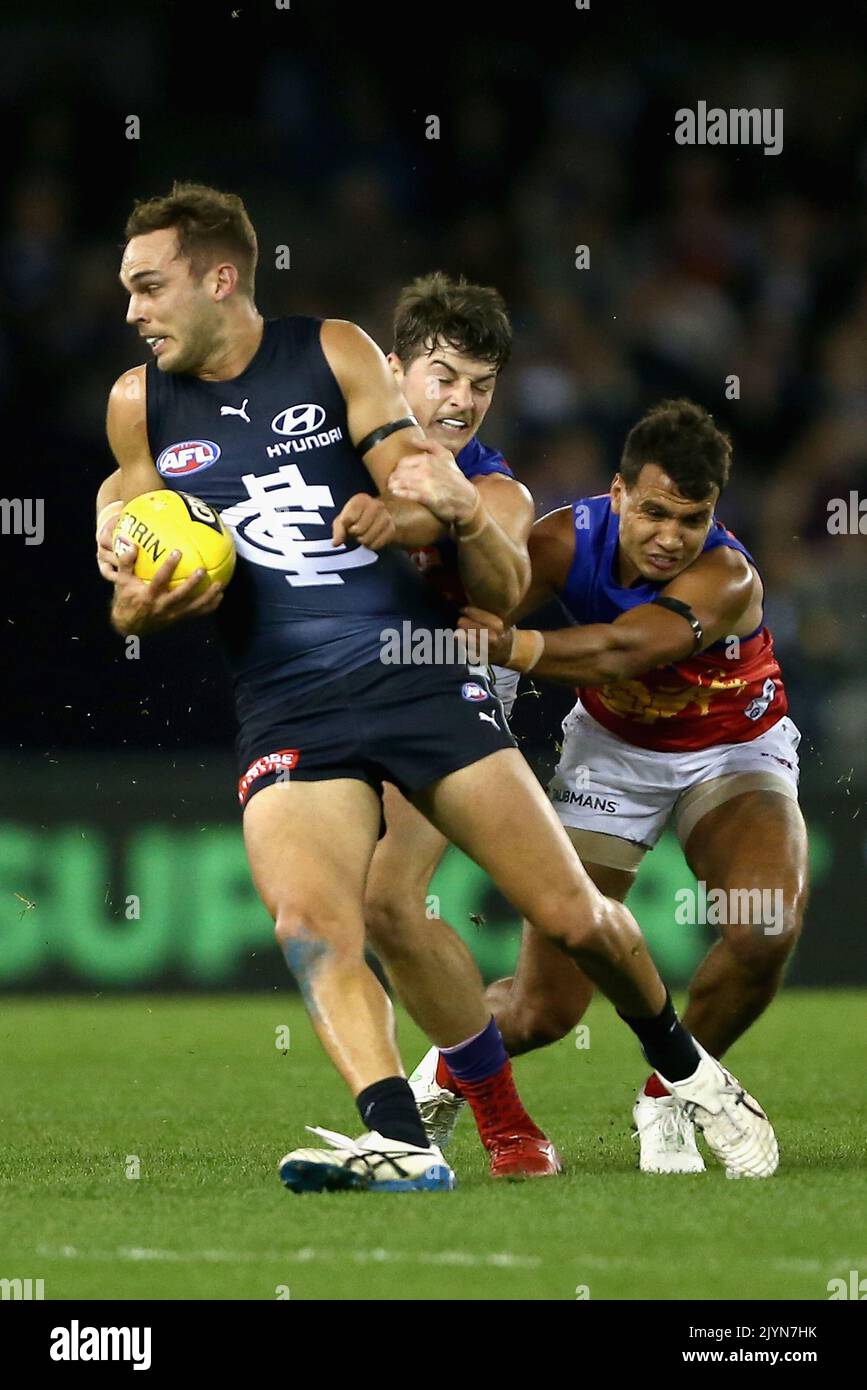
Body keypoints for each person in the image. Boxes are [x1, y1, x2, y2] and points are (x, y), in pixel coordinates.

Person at [96, 183, 777, 1190]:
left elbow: (491, 575)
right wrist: (132, 604)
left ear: (221, 278)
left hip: (429, 682)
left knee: (566, 919)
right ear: (399, 367)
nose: (458, 401)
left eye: (480, 385)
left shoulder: (428, 435)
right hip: (289, 701)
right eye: (444, 376)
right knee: (324, 923)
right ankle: (413, 1138)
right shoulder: (144, 405)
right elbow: (129, 532)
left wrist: (442, 518)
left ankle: (686, 1068)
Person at [409, 399, 806, 1175]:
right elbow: (474, 612)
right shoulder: (560, 539)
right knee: (541, 1012)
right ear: (617, 493)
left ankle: (670, 1092)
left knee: (764, 927)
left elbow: (622, 651)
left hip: (734, 750)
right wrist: (474, 688)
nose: (670, 537)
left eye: (690, 519)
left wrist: (512, 649)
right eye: (654, 512)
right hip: (611, 756)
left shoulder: (726, 575)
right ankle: (436, 1076)